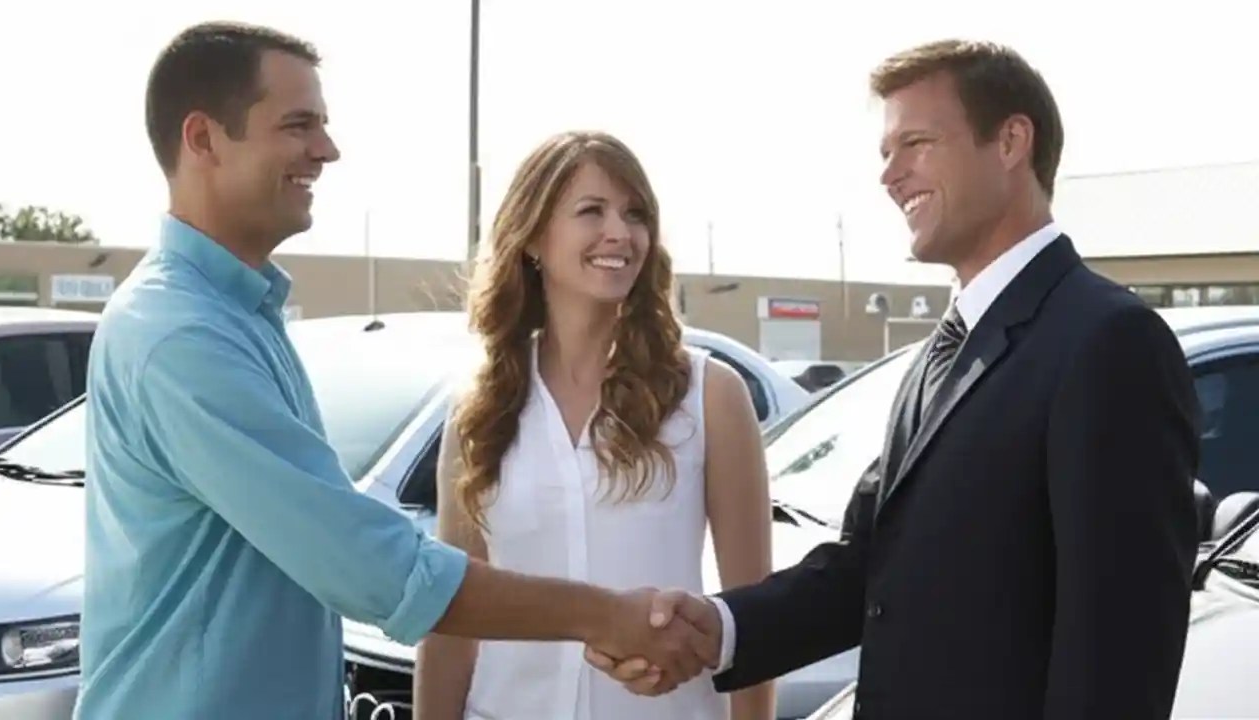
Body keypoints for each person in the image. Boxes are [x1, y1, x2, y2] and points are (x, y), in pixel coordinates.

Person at [75, 23, 716, 720]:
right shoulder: (180, 334)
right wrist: (606, 616)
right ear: (203, 139)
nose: (327, 149)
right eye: (298, 125)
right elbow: (371, 567)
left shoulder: (236, 313)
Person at [588, 39, 1202, 719]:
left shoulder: (1109, 343)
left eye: (916, 144)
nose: (890, 175)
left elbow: (1118, 655)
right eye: (886, 152)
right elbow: (870, 568)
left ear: (1010, 142)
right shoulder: (941, 353)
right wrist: (718, 628)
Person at [411, 130, 776, 720]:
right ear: (533, 237)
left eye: (635, 214)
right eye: (591, 211)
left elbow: (753, 620)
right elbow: (453, 617)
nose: (620, 233)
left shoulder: (710, 395)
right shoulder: (480, 407)